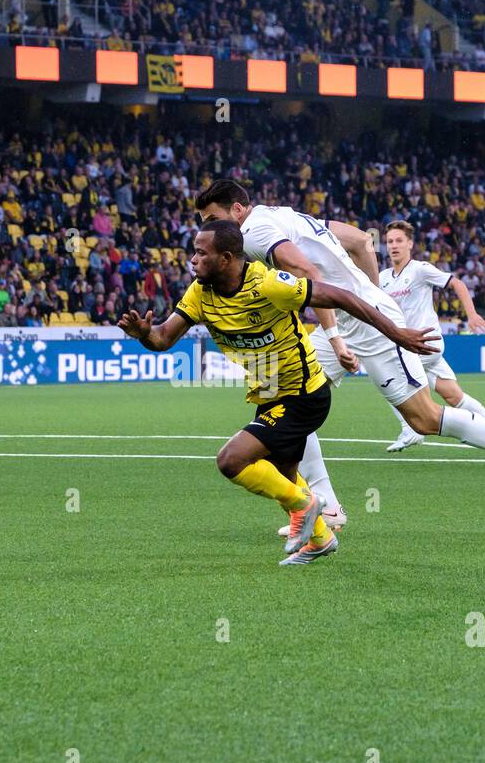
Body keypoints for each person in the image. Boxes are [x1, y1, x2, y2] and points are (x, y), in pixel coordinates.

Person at [196, 180, 485, 528]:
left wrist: (343, 328)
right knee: (292, 400)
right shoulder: (285, 215)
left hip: (358, 323)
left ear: (238, 209)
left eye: (213, 219)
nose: (207, 232)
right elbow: (360, 242)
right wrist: (370, 295)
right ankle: (327, 508)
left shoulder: (255, 231)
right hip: (353, 313)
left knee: (423, 417)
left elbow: (306, 274)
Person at [119, 219, 441, 565]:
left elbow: (342, 296)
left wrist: (397, 333)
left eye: (201, 253)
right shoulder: (201, 292)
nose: (193, 260)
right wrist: (143, 334)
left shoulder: (270, 284)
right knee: (285, 476)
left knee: (231, 460)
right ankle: (320, 538)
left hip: (304, 396)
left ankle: (308, 504)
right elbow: (163, 338)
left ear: (226, 258)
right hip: (268, 397)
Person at [378, 219, 485, 453]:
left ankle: (409, 430)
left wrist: (471, 314)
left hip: (425, 344)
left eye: (399, 240)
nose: (394, 245)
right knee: (454, 396)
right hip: (409, 346)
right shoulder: (383, 278)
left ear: (410, 243)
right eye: (389, 241)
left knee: (387, 376)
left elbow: (457, 284)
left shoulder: (420, 269)